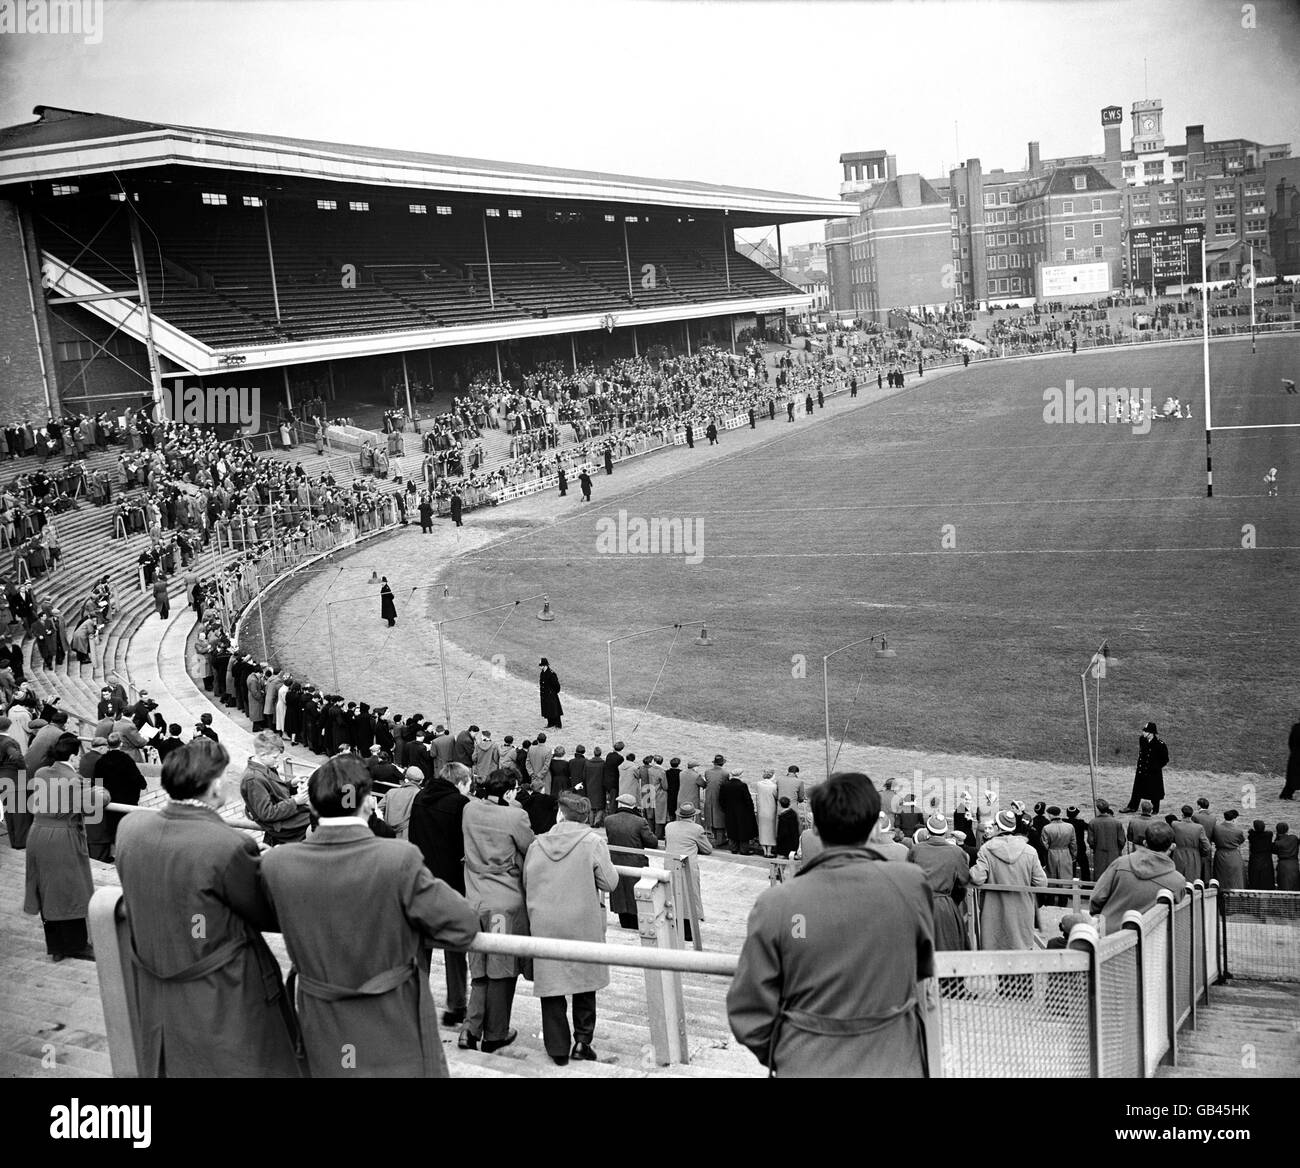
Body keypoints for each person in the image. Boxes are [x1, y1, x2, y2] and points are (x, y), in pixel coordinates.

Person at [260, 755, 479, 1077]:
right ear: (366, 805)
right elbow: (462, 924)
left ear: (314, 808)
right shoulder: (398, 859)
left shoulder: (277, 864)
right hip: (388, 1013)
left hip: (319, 1012)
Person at [727, 772, 935, 1078]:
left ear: (817, 830)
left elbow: (748, 1011)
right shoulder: (911, 884)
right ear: (874, 827)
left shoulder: (775, 903)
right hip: (894, 1061)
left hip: (807, 1062)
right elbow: (922, 968)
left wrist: (790, 1053)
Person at [113, 738, 303, 1075]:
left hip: (158, 979)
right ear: (214, 786)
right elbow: (262, 912)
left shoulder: (130, 827)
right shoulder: (228, 845)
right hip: (222, 985)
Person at [521, 793, 618, 1065]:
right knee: (585, 981)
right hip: (582, 920)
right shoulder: (593, 842)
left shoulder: (537, 844)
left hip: (545, 921)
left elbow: (527, 881)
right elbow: (609, 883)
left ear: (560, 815)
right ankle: (582, 1042)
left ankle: (557, 1048)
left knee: (552, 984)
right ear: (585, 817)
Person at [460, 770, 534, 1052]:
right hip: (503, 905)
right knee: (501, 971)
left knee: (480, 969)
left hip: (474, 901)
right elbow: (530, 846)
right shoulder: (516, 816)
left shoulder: (469, 810)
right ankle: (494, 1034)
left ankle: (470, 1028)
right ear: (508, 793)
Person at [408, 761, 474, 1028]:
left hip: (422, 877)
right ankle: (456, 1005)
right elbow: (463, 842)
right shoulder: (460, 804)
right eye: (468, 784)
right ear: (460, 783)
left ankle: (416, 1002)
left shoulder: (420, 796)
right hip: (450, 881)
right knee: (454, 947)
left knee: (421, 946)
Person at [23, 731, 95, 961]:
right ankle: (76, 945)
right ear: (74, 756)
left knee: (46, 890)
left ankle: (56, 947)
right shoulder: (75, 779)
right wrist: (102, 793)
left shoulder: (42, 772)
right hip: (62, 836)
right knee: (70, 890)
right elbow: (91, 806)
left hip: (37, 834)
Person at [969, 809, 1047, 950]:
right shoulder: (1030, 851)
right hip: (1022, 912)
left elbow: (977, 878)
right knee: (1022, 960)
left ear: (997, 827)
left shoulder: (986, 850)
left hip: (993, 914)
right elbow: (1041, 882)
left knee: (995, 959)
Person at [1088, 822, 1186, 934]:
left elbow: (1097, 897)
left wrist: (1100, 918)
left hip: (1109, 933)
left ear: (1145, 843)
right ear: (1172, 846)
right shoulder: (1178, 882)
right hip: (1149, 940)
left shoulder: (1120, 863)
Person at [908, 813, 971, 951]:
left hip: (920, 904)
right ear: (945, 832)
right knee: (948, 947)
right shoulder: (957, 852)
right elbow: (963, 883)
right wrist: (951, 901)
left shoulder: (916, 850)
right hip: (945, 906)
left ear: (928, 831)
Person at [240, 730, 311, 846]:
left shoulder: (265, 766)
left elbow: (275, 791)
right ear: (263, 755)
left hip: (284, 816)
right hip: (280, 825)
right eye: (275, 757)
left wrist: (292, 783)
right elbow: (267, 813)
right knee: (320, 820)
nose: (277, 760)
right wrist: (295, 801)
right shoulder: (252, 779)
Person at [603, 792, 657, 928]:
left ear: (620, 804)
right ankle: (635, 922)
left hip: (615, 860)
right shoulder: (640, 822)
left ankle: (624, 921)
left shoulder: (609, 820)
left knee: (619, 892)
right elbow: (652, 842)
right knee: (635, 893)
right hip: (635, 862)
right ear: (633, 806)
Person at [664, 801, 712, 941]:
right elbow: (708, 849)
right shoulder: (697, 829)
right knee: (690, 897)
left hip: (670, 864)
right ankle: (689, 932)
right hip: (687, 867)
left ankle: (675, 927)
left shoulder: (669, 826)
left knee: (673, 895)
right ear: (694, 816)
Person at [93, 731, 147, 853]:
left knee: (113, 830)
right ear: (121, 744)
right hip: (128, 801)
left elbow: (97, 783)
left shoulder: (101, 762)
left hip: (110, 802)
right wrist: (143, 784)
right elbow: (138, 779)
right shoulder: (126, 760)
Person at [1122, 721, 1168, 813]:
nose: (1143, 732)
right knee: (1137, 789)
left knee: (1154, 791)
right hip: (1142, 770)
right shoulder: (1142, 739)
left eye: (1145, 731)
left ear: (1151, 733)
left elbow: (1165, 759)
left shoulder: (1160, 744)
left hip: (1153, 772)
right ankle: (1132, 807)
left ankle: (1155, 809)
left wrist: (1156, 767)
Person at [1040, 806, 1076, 904]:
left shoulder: (1047, 828)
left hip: (1052, 853)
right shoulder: (1069, 827)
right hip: (1065, 852)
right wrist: (1073, 856)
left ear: (1050, 815)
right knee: (1065, 877)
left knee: (1051, 877)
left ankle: (1050, 901)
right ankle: (1063, 901)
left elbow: (1044, 844)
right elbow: (1073, 843)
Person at [719, 767, 759, 854]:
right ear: (740, 775)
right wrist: (751, 809)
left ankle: (733, 848)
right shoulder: (742, 785)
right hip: (742, 812)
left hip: (729, 811)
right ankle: (744, 850)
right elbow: (748, 800)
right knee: (743, 830)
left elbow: (721, 800)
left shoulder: (724, 785)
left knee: (732, 829)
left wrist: (725, 809)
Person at [1171, 806, 1212, 884]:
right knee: (1192, 881)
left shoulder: (1175, 824)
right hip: (1194, 855)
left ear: (1182, 815)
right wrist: (1201, 854)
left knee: (1177, 880)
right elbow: (1207, 846)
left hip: (1178, 854)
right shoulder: (1199, 827)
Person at [380, 765, 424, 839]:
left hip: (389, 837)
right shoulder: (420, 794)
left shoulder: (391, 792)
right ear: (420, 781)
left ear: (406, 778)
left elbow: (376, 810)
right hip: (410, 837)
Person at [1211, 810, 1246, 890]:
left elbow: (1213, 839)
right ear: (1234, 819)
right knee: (1236, 878)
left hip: (1220, 854)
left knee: (1220, 876)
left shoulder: (1216, 828)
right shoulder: (1238, 831)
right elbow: (1241, 841)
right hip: (1233, 855)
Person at [1191, 797, 1217, 884]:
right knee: (1207, 864)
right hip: (1208, 841)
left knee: (1197, 863)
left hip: (1198, 842)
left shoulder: (1195, 816)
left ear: (1199, 806)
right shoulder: (1213, 817)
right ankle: (1206, 881)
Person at [1246, 820, 1275, 890]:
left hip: (1255, 859)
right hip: (1266, 860)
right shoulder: (1269, 835)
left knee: (1254, 879)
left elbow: (1251, 833)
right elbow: (1269, 832)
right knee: (1267, 879)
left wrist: (1251, 831)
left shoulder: (1252, 836)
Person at [1065, 805, 1091, 882]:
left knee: (1070, 868)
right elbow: (1090, 827)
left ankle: (1070, 884)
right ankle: (1087, 885)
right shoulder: (1081, 822)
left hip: (1069, 847)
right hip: (1080, 848)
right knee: (1084, 867)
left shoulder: (1065, 822)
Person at [538, 657, 563, 729]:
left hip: (551, 695)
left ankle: (558, 725)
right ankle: (550, 723)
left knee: (554, 710)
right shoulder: (542, 673)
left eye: (541, 665)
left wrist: (552, 693)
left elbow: (557, 686)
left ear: (545, 665)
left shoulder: (551, 674)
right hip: (545, 695)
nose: (540, 667)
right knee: (547, 709)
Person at [1273, 823, 1299, 891]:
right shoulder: (1294, 838)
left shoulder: (1277, 843)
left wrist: (1277, 837)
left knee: (1283, 886)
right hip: (1294, 864)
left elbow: (1274, 850)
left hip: (1283, 865)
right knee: (1295, 885)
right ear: (1287, 830)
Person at [1282, 721, 1300, 800]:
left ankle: (1286, 795)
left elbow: (1291, 742)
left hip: (1295, 755)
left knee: (1292, 778)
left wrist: (1294, 752)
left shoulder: (1296, 728)